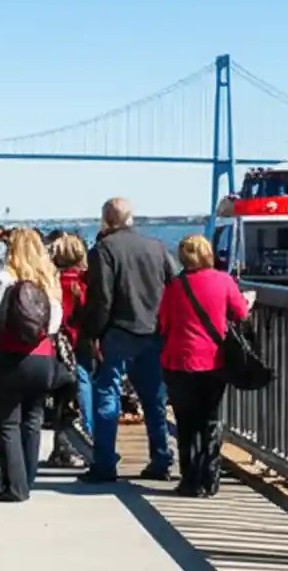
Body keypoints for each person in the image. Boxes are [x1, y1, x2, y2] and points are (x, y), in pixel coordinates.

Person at [79, 197, 176, 483]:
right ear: (131, 218)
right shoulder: (157, 247)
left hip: (118, 331)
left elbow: (102, 299)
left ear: (106, 219)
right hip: (153, 332)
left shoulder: (103, 250)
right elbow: (173, 286)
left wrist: (93, 334)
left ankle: (105, 463)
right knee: (154, 400)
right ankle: (161, 460)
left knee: (107, 395)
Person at [158, 235, 252, 497]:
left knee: (186, 423)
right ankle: (209, 478)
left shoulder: (174, 287)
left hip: (178, 361)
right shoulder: (224, 281)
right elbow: (241, 314)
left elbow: (163, 324)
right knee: (210, 420)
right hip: (213, 361)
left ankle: (189, 479)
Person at [0, 228, 64, 502]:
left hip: (8, 358)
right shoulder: (48, 281)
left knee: (8, 423)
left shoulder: (3, 279)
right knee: (33, 420)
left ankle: (14, 486)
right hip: (42, 358)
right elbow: (55, 323)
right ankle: (28, 479)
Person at [45, 234, 90, 467]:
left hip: (55, 344)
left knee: (60, 399)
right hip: (78, 342)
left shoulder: (51, 281)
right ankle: (73, 446)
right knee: (75, 396)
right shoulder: (82, 282)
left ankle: (60, 447)